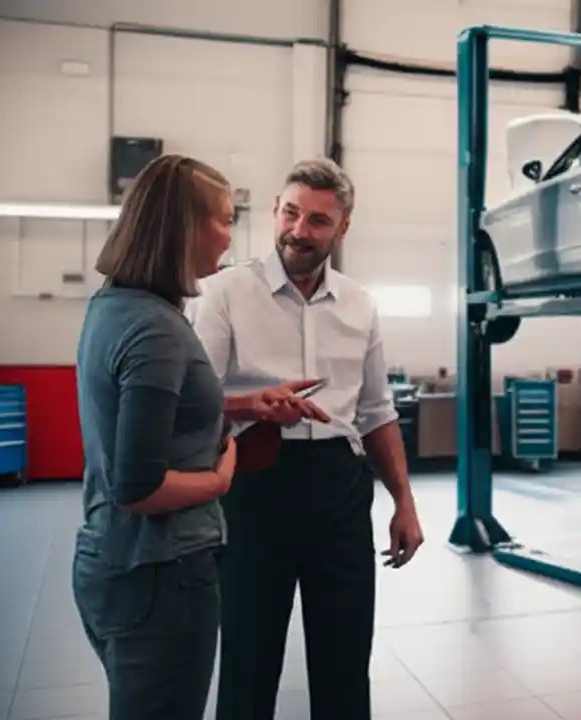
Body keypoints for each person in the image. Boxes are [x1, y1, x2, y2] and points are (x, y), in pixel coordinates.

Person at [71, 154, 326, 720]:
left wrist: (241, 404)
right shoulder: (157, 329)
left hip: (114, 561)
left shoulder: (116, 306)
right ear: (182, 227)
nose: (230, 235)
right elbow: (138, 488)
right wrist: (221, 477)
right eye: (224, 219)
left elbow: (147, 415)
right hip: (161, 573)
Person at [188, 157, 425, 720]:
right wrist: (255, 405)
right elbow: (194, 402)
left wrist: (405, 503)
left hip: (340, 488)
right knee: (248, 655)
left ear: (342, 229)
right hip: (254, 482)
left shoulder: (360, 304)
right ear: (275, 209)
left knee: (345, 659)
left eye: (318, 220)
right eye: (291, 213)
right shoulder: (222, 293)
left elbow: (376, 411)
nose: (300, 229)